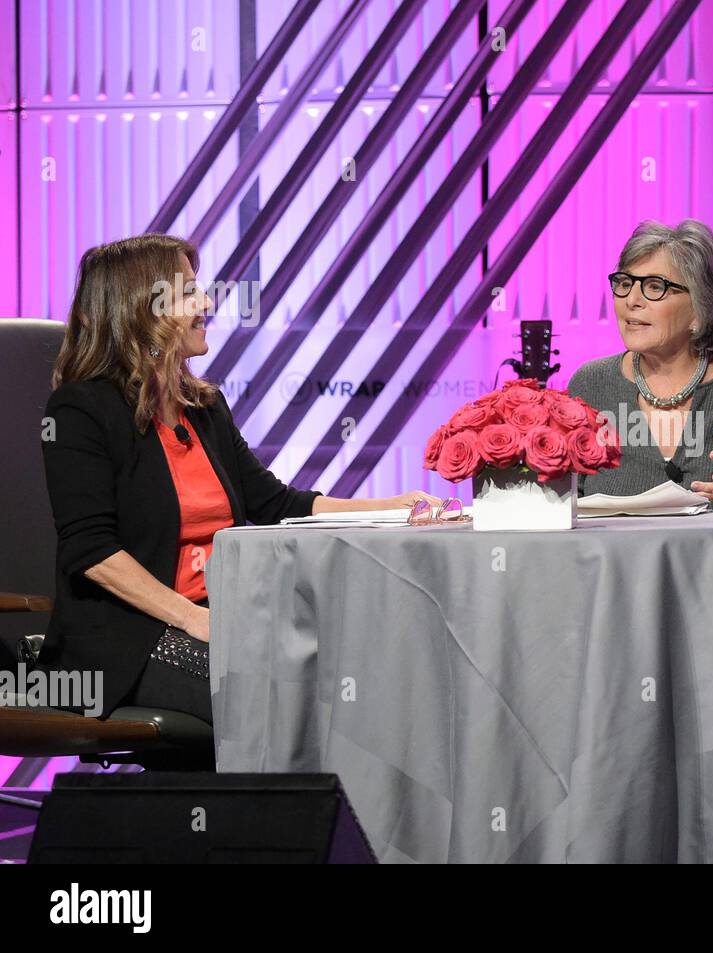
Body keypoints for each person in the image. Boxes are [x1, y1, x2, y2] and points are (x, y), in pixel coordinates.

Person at [40, 234, 443, 725]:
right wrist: (196, 620)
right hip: (125, 639)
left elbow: (276, 504)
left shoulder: (203, 408)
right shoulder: (82, 410)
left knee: (357, 666)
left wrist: (395, 508)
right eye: (189, 292)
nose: (206, 302)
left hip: (220, 617)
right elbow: (92, 552)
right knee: (280, 694)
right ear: (141, 308)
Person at [567, 219, 713, 509]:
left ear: (700, 308)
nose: (632, 300)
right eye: (624, 283)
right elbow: (564, 510)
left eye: (654, 286)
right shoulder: (590, 385)